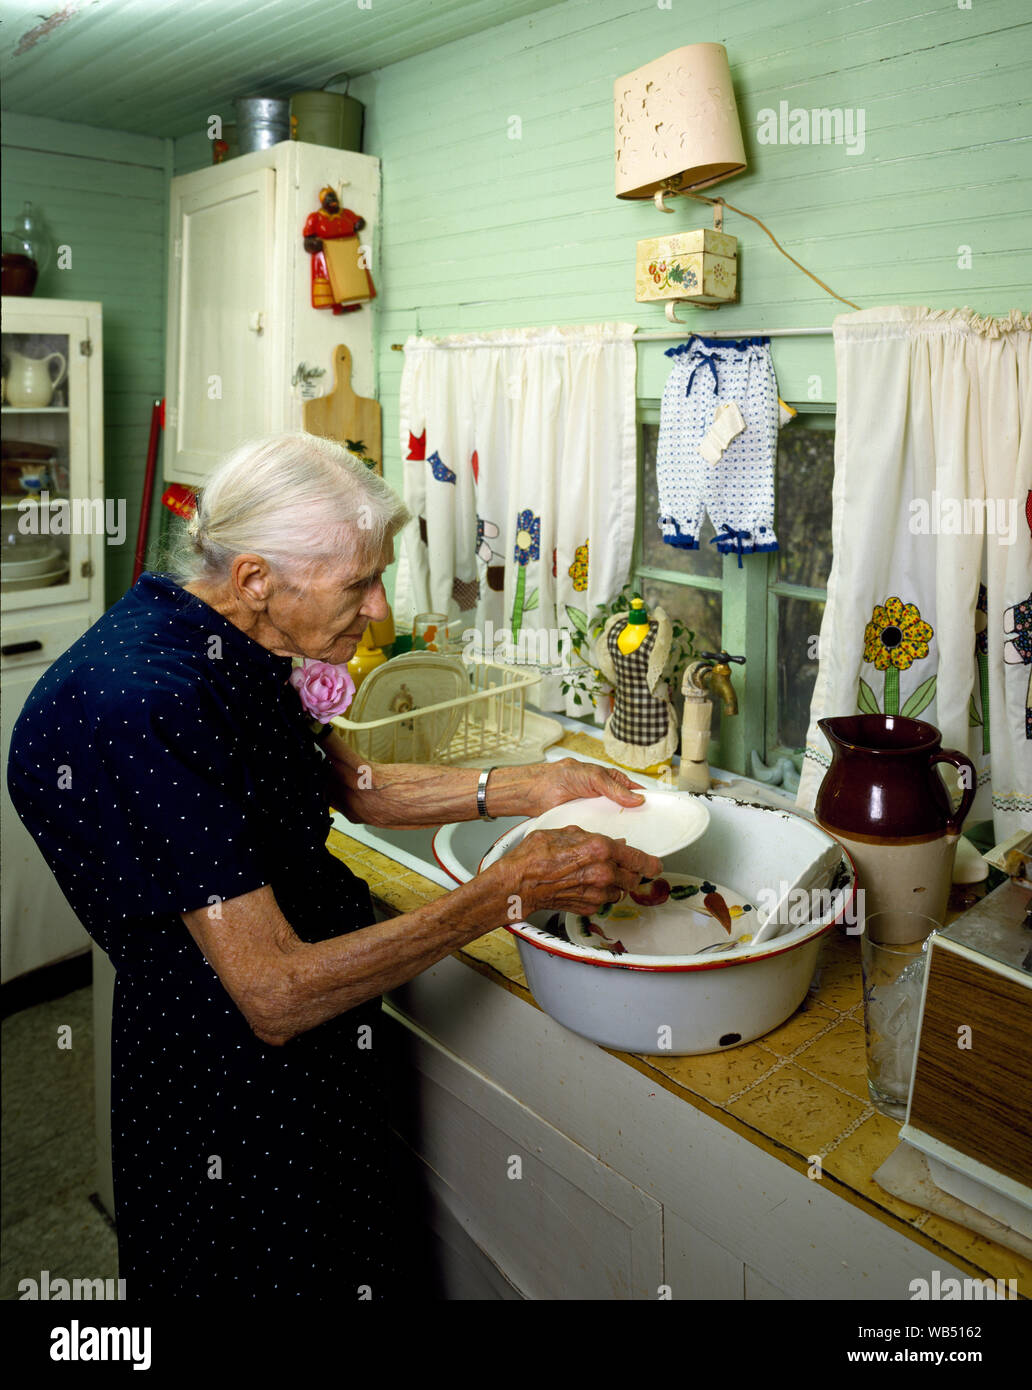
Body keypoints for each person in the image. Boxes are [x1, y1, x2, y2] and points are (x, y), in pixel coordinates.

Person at [6, 433, 660, 1300]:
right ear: (255, 577)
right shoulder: (149, 704)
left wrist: (528, 783)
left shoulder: (215, 631)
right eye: (359, 584)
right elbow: (273, 995)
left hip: (316, 1036)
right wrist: (504, 891)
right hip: (234, 1089)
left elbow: (356, 784)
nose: (379, 610)